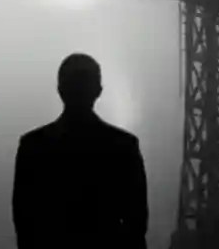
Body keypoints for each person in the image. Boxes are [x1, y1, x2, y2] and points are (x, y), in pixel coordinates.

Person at [12, 53, 148, 249]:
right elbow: (136, 224)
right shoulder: (124, 146)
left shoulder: (33, 146)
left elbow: (24, 222)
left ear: (60, 90)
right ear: (98, 91)